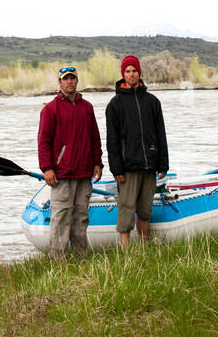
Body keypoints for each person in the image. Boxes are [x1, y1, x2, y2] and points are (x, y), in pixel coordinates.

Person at [37, 65, 103, 258]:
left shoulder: (87, 107)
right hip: (62, 173)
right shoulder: (50, 110)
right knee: (60, 217)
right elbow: (43, 142)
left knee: (81, 217)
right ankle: (58, 260)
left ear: (77, 80)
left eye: (72, 78)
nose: (70, 82)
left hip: (84, 173)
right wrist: (47, 168)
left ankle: (81, 257)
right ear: (59, 82)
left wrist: (97, 162)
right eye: (66, 79)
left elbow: (95, 138)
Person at [105, 54, 169, 247]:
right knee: (126, 211)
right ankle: (125, 253)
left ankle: (143, 247)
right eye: (127, 71)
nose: (131, 74)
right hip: (128, 168)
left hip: (149, 165)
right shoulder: (115, 105)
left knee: (144, 211)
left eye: (134, 71)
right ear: (122, 75)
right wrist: (116, 170)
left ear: (139, 73)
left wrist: (163, 163)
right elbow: (112, 141)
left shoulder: (152, 102)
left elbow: (161, 134)